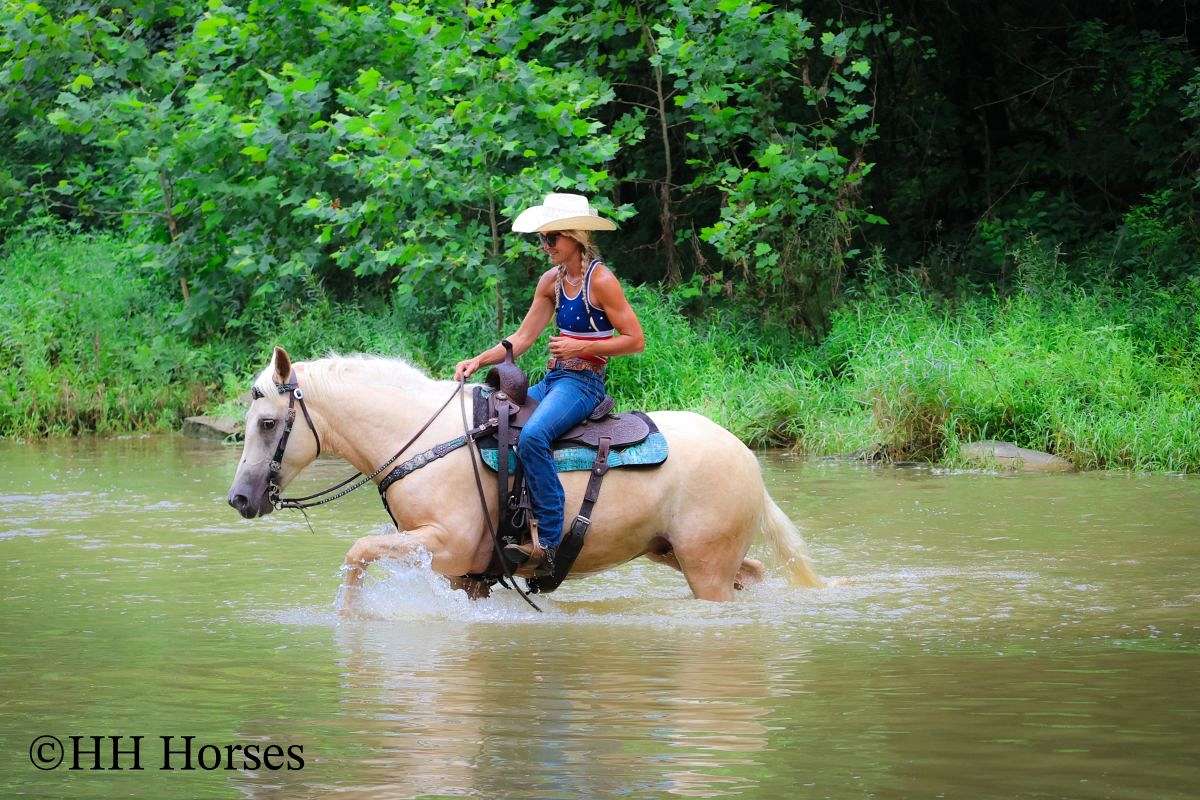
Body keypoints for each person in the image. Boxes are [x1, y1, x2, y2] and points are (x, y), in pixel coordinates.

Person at [454, 193, 645, 574]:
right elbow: (522, 339)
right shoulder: (551, 282)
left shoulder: (602, 281)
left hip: (584, 385)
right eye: (541, 239)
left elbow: (635, 340)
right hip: (556, 378)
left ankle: (551, 542)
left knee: (533, 437)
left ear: (574, 237)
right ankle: (508, 520)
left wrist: (582, 344)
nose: (544, 247)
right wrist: (480, 360)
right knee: (495, 418)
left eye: (551, 239)